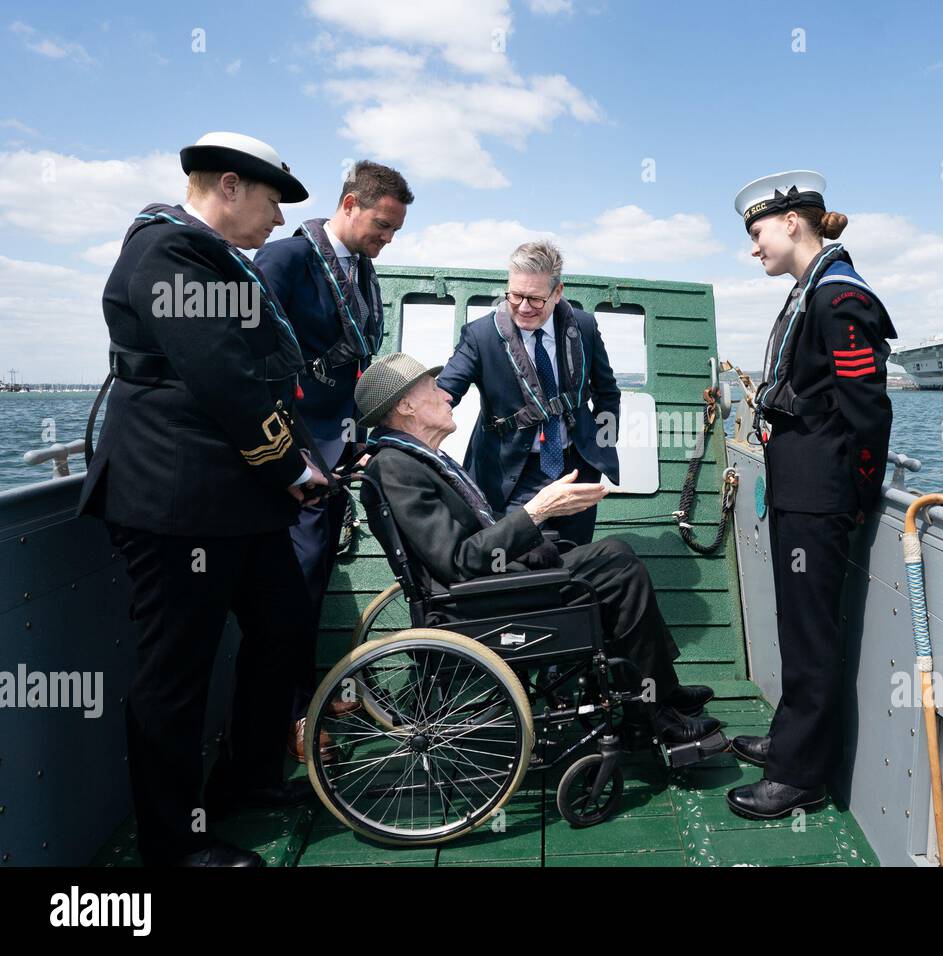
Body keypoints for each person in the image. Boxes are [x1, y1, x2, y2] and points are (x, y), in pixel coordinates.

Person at [77, 132, 330, 866]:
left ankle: (245, 778)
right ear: (227, 185)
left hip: (235, 499)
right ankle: (171, 843)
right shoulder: (166, 252)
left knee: (283, 626)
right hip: (176, 498)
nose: (279, 221)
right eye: (273, 201)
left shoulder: (215, 260)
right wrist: (292, 466)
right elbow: (221, 376)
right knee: (175, 676)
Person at [355, 352, 717, 741]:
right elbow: (458, 561)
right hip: (472, 602)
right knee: (620, 569)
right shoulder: (395, 466)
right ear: (406, 406)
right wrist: (537, 510)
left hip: (485, 586)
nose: (446, 396)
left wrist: (537, 533)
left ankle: (657, 690)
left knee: (617, 553)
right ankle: (652, 710)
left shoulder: (419, 460)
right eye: (433, 388)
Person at [725, 171, 896, 820]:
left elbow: (867, 410)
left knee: (812, 638)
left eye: (758, 231)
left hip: (821, 496)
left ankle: (801, 777)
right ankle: (788, 742)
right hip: (799, 488)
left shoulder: (839, 296)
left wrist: (856, 495)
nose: (754, 247)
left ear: (793, 222)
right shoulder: (811, 291)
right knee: (796, 632)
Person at [256, 160, 414, 762]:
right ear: (349, 203)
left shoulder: (364, 269)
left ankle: (309, 696)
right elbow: (254, 357)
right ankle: (290, 718)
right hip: (291, 461)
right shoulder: (288, 260)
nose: (387, 238)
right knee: (291, 590)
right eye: (381, 224)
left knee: (313, 582)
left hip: (334, 457)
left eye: (396, 230)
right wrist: (290, 451)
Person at [436, 240, 620, 545]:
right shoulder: (480, 335)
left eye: (535, 299)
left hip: (575, 467)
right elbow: (444, 391)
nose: (523, 307)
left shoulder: (585, 327)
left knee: (573, 558)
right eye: (516, 295)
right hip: (509, 475)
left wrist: (601, 445)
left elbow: (607, 392)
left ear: (558, 292)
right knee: (516, 561)